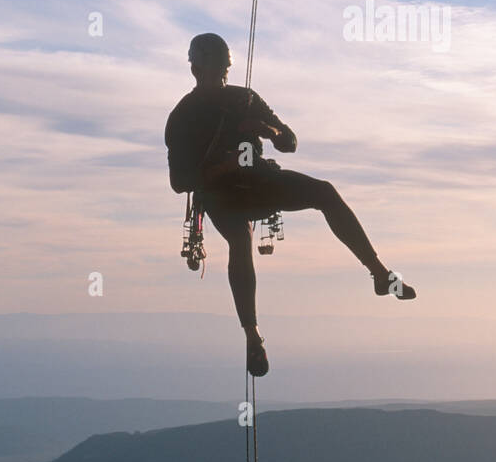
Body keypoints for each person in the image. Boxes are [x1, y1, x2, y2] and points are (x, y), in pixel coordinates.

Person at [164, 33, 416, 377]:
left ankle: (379, 274)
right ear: (196, 69)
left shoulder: (245, 100)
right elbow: (180, 182)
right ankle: (253, 335)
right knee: (241, 240)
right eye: (216, 70)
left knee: (324, 192)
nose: (221, 78)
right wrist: (225, 167)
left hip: (257, 183)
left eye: (223, 71)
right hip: (220, 193)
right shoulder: (184, 116)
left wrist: (269, 130)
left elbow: (290, 142)